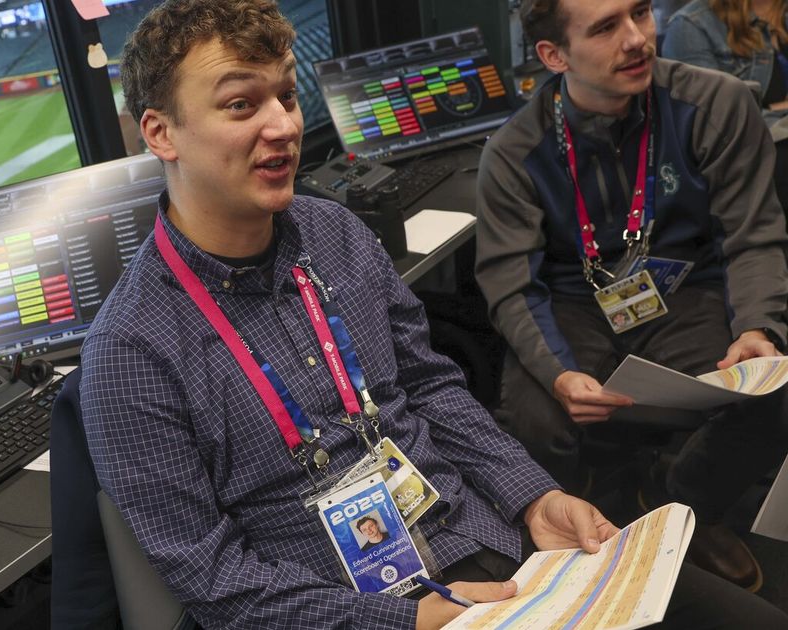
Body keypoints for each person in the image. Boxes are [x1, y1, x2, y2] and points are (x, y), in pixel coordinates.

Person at [80, 1, 787, 627]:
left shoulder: (336, 235)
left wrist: (535, 499)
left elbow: (432, 389)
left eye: (287, 97)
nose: (283, 125)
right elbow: (219, 585)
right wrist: (405, 621)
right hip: (351, 607)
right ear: (160, 133)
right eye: (241, 106)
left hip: (498, 548)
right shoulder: (130, 351)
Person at [476, 0, 788, 593]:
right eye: (605, 27)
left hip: (688, 289)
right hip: (573, 304)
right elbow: (512, 287)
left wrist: (758, 327)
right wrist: (558, 373)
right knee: (534, 417)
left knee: (772, 389)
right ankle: (563, 550)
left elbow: (753, 236)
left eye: (640, 13)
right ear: (553, 55)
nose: (637, 38)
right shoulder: (515, 153)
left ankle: (682, 509)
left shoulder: (715, 102)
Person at [663, 0, 788, 111]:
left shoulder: (782, 12)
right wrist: (776, 110)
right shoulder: (690, 25)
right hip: (760, 133)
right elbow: (713, 119)